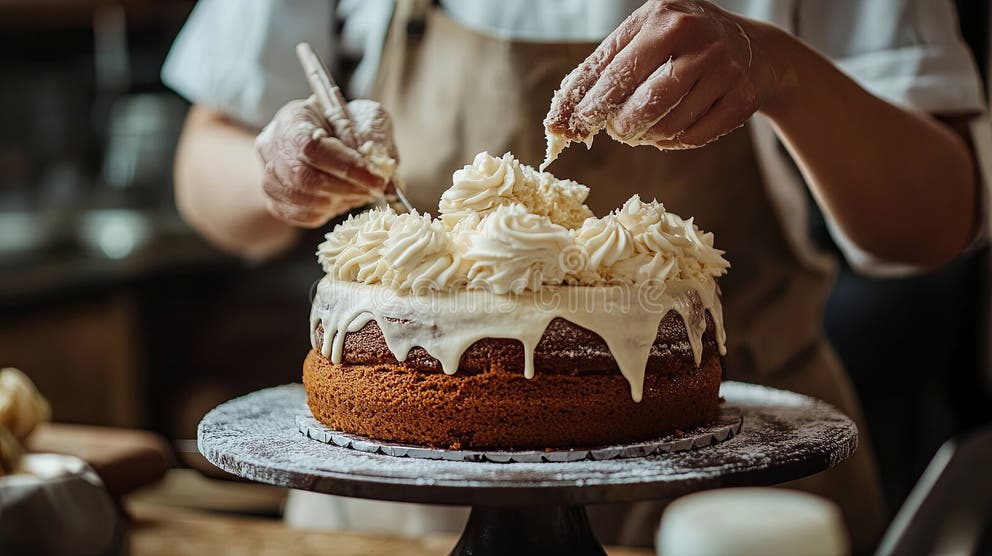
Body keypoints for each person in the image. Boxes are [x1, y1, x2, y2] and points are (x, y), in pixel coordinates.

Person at [162, 0, 987, 550]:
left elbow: (937, 221)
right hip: (394, 519)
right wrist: (273, 173)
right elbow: (205, 164)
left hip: (721, 509)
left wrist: (783, 71)